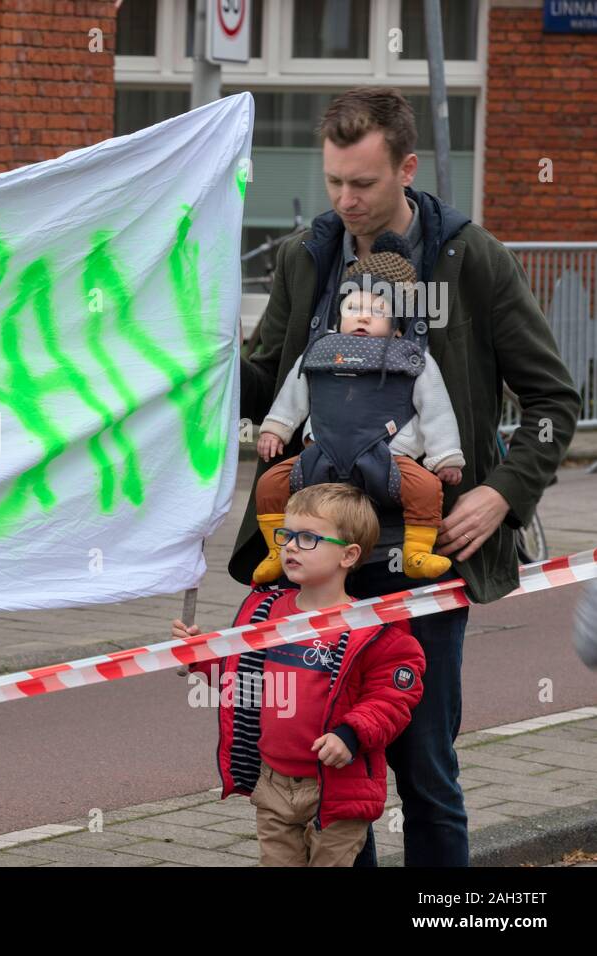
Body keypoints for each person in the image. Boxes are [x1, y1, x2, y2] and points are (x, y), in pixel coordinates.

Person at [231, 87, 580, 866]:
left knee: (423, 772)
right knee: (330, 774)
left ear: (408, 169)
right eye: (333, 183)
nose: (346, 201)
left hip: (423, 561)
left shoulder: (468, 259)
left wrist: (502, 494)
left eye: (363, 183)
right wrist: (207, 361)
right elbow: (266, 386)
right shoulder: (306, 258)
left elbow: (556, 400)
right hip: (320, 566)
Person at [178, 483, 425, 866]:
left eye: (308, 537)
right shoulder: (263, 611)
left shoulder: (372, 626)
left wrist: (351, 734)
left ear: (349, 554)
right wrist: (200, 656)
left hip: (338, 787)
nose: (290, 546)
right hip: (272, 782)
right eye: (287, 535)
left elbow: (393, 697)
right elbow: (241, 675)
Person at [252, 231, 464, 583]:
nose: (363, 318)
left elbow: (437, 409)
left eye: (377, 311)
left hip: (387, 459)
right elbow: (295, 391)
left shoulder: (412, 358)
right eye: (353, 309)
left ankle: (415, 553)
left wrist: (445, 457)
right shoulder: (320, 351)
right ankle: (276, 551)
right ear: (338, 315)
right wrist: (276, 428)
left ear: (398, 325)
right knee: (269, 484)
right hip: (320, 455)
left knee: (426, 490)